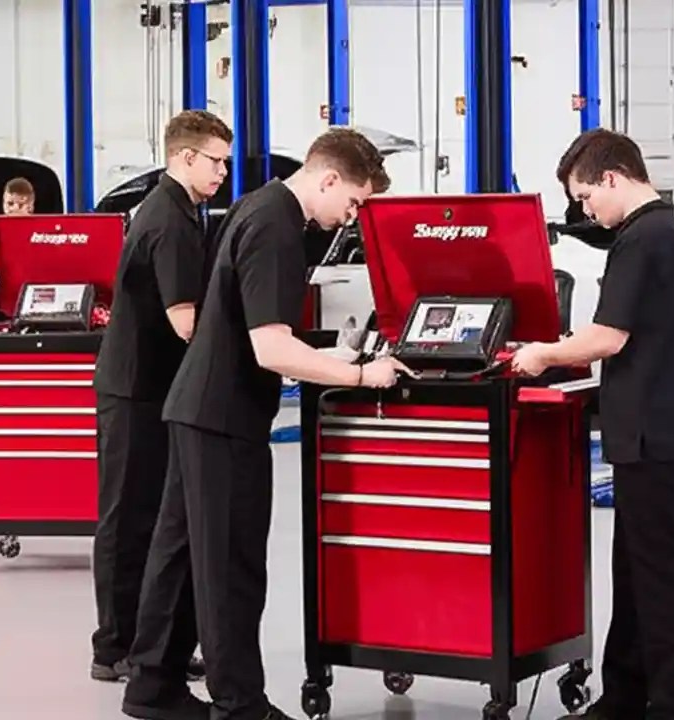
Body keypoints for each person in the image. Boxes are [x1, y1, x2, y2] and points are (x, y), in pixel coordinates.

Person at [120, 128, 410, 720]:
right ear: (329, 179)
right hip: (225, 415)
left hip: (196, 407)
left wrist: (334, 357)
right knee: (230, 568)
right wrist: (359, 377)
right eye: (353, 203)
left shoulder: (260, 205)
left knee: (177, 559)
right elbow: (271, 347)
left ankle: (152, 688)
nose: (350, 220)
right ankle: (240, 704)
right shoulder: (278, 227)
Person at [510, 128, 674, 720]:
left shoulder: (643, 238)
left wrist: (542, 354)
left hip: (658, 435)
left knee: (665, 576)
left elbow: (607, 336)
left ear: (612, 178)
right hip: (655, 432)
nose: (585, 210)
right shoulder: (667, 234)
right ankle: (625, 695)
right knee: (635, 571)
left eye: (584, 196)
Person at [90, 110, 234, 685]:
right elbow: (186, 322)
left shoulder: (176, 209)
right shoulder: (171, 220)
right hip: (135, 392)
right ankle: (114, 647)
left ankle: (149, 645)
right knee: (128, 520)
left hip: (150, 388)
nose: (223, 170)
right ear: (183, 157)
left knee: (153, 521)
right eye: (216, 160)